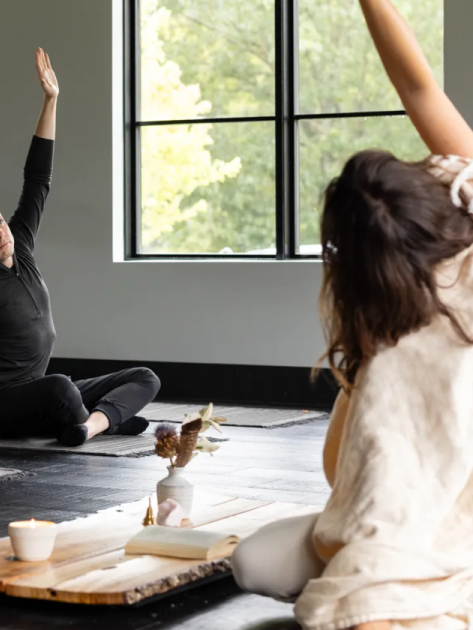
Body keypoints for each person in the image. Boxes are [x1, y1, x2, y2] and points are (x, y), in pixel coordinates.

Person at [232, 1, 473, 628]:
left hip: (436, 527)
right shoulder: (461, 213)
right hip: (414, 517)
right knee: (257, 560)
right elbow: (417, 86)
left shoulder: (387, 318)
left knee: (255, 564)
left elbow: (338, 468)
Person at [0, 49, 159, 447]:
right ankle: (100, 421)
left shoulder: (20, 245)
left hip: (38, 391)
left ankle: (88, 425)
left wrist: (51, 100)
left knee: (144, 377)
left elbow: (37, 179)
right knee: (61, 388)